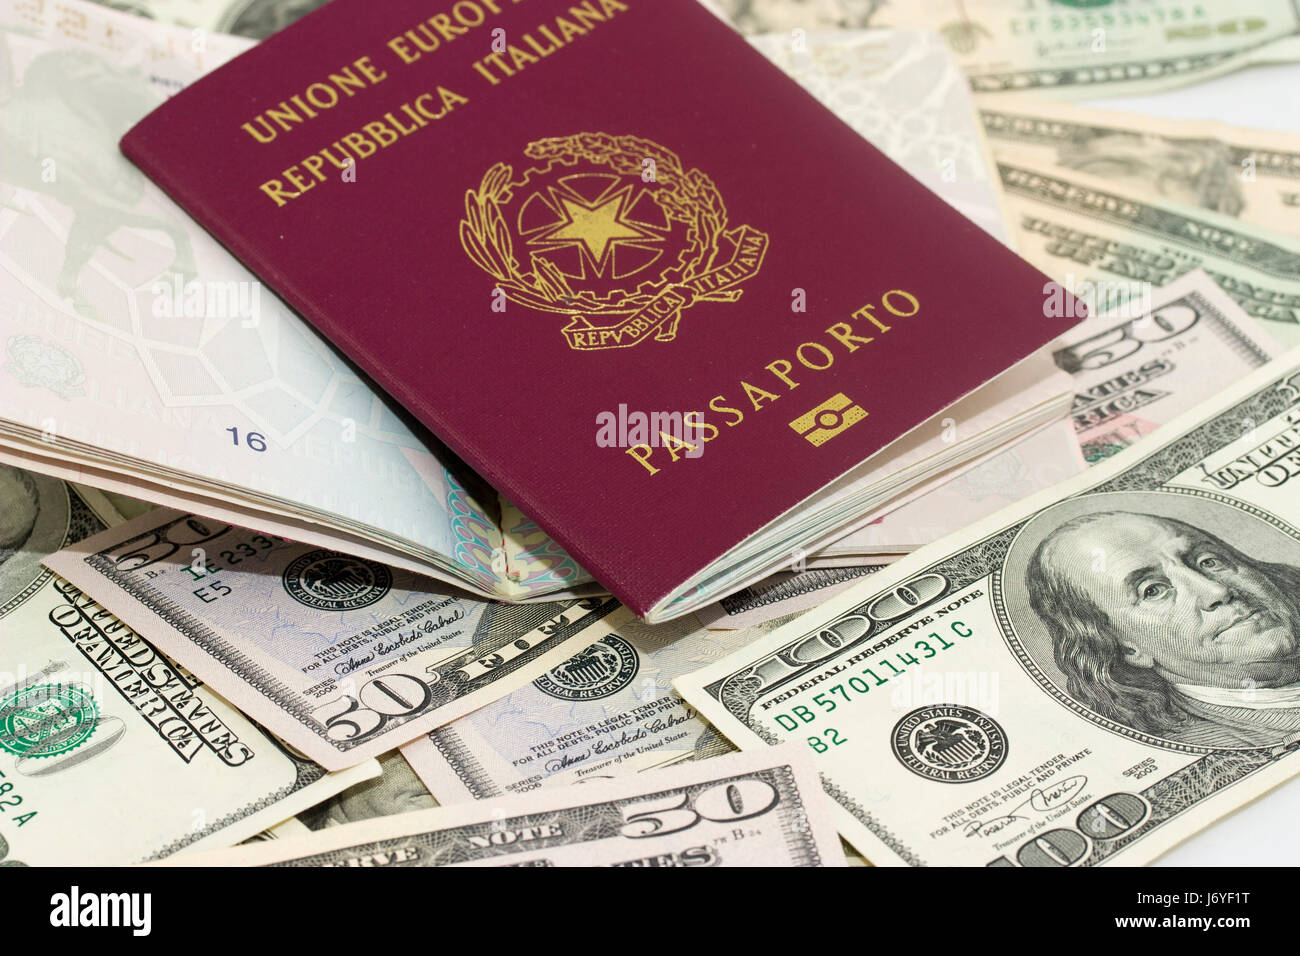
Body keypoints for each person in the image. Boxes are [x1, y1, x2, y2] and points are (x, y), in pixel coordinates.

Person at [1025, 511, 1300, 748]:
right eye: (1153, 591)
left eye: (1208, 561)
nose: (1217, 591)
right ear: (1126, 646)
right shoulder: (1209, 749)